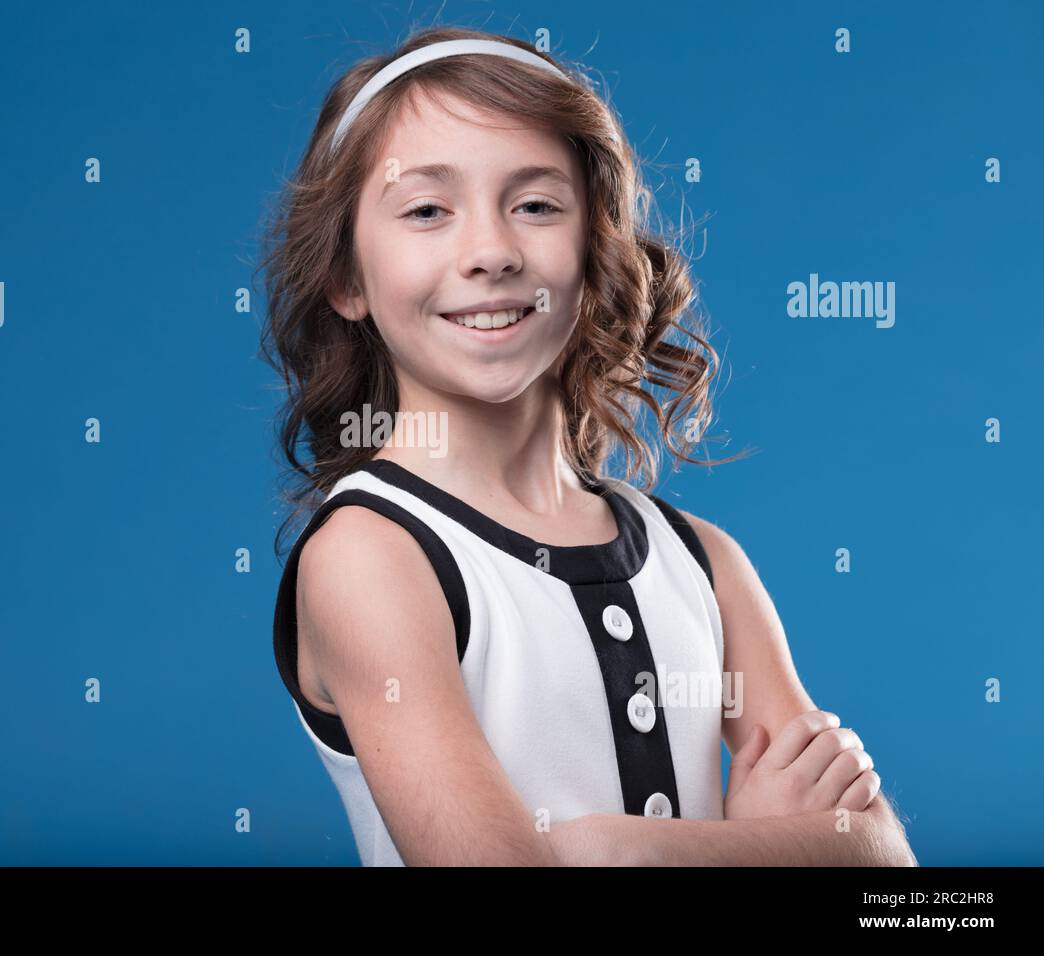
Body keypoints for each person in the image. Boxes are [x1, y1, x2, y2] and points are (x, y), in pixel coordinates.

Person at [259, 27, 916, 867]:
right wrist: (760, 847)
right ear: (347, 280)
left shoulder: (702, 560)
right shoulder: (371, 554)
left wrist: (610, 850)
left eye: (535, 204)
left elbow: (891, 873)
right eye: (426, 210)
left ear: (596, 249)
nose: (491, 252)